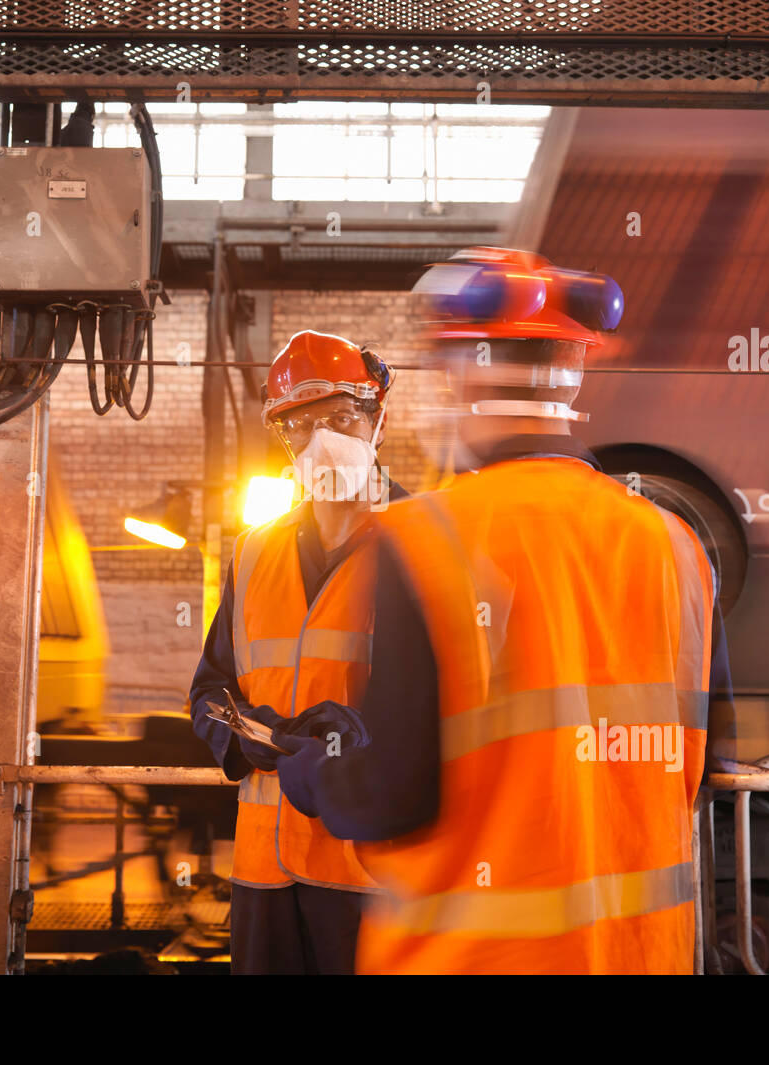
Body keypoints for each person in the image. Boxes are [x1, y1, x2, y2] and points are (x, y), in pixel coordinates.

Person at [275, 247, 737, 974]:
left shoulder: (423, 539)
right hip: (644, 955)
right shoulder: (677, 546)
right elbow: (703, 764)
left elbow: (391, 795)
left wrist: (315, 769)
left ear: (462, 375)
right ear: (574, 373)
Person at [186, 329, 404, 975]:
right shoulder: (255, 553)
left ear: (378, 417)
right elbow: (208, 690)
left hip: (376, 877)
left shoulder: (424, 547)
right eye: (301, 425)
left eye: (340, 416)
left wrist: (359, 740)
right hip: (266, 876)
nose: (323, 439)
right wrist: (237, 735)